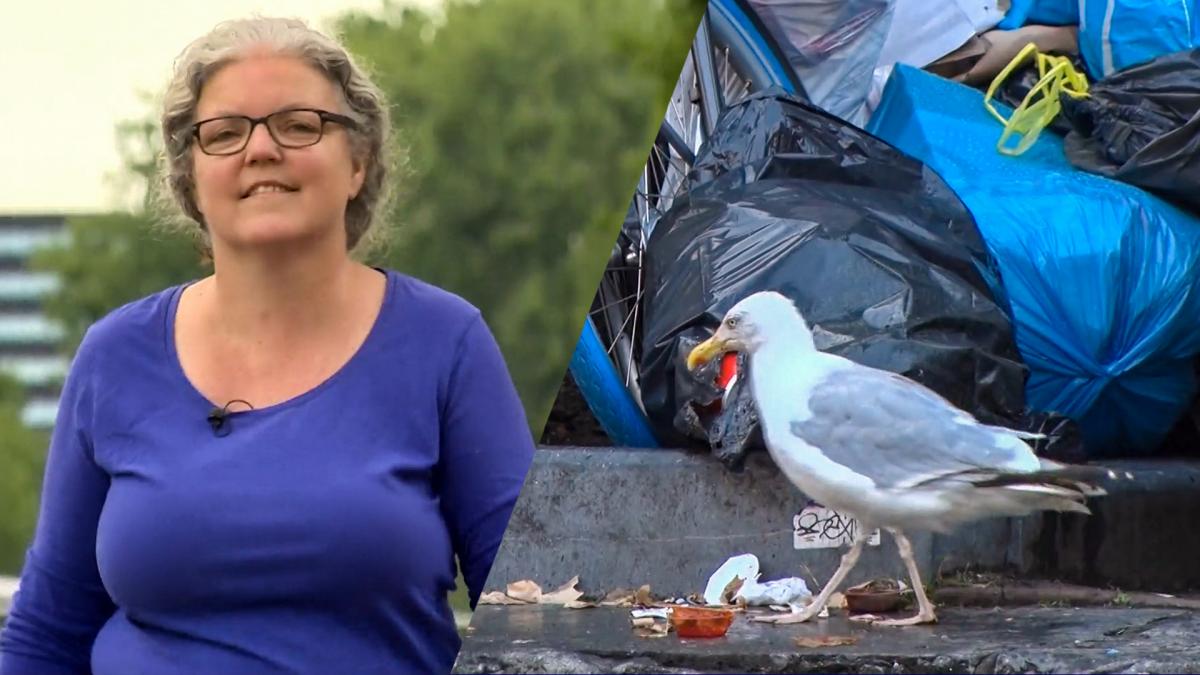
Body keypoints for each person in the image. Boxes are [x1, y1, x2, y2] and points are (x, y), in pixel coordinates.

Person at [0, 16, 534, 675]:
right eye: (224, 133)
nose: (260, 150)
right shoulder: (114, 356)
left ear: (358, 162)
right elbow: (45, 634)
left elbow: (525, 616)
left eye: (299, 124)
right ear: (190, 178)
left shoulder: (446, 344)